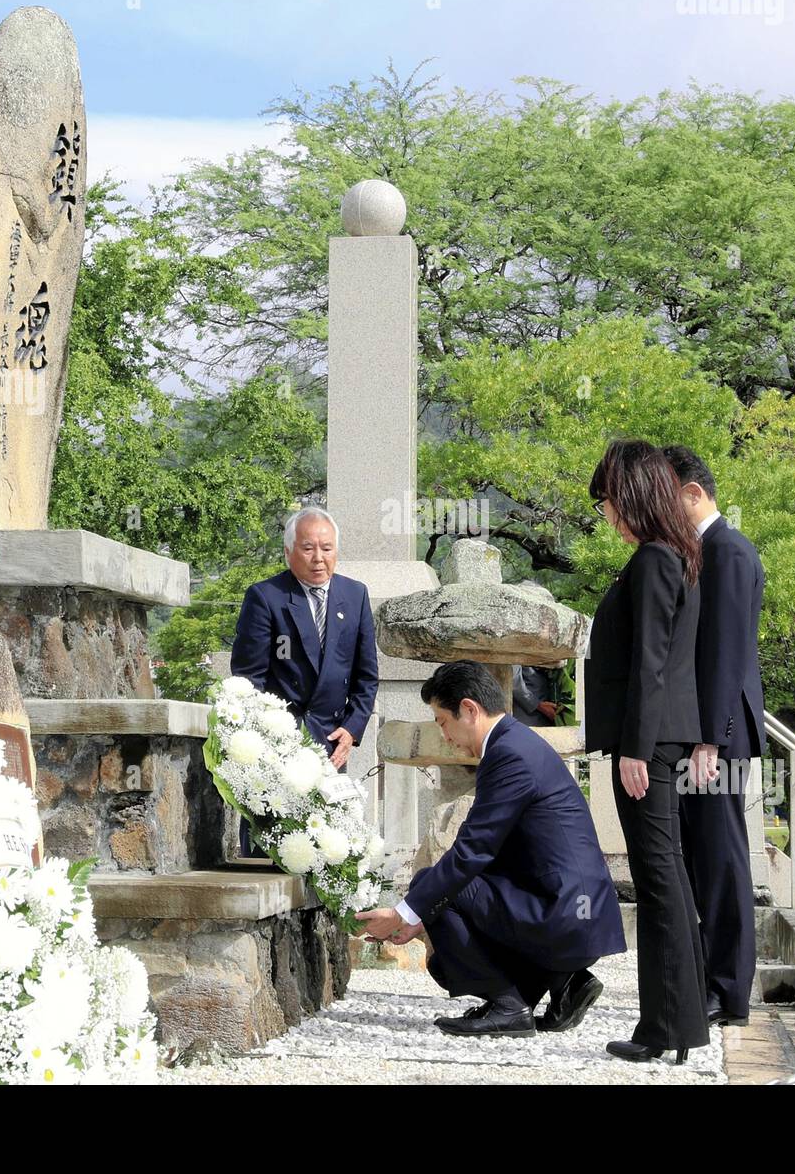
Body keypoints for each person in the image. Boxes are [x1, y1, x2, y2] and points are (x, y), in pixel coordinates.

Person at [354, 660, 626, 1037]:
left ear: (469, 709)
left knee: (430, 885)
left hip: (564, 913)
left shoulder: (509, 754)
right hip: (571, 907)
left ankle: (509, 1004)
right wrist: (416, 917)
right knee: (441, 889)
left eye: (442, 721)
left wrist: (405, 912)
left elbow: (471, 852)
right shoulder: (516, 742)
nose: (444, 735)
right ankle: (560, 980)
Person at [585, 439, 709, 1064]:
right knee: (666, 879)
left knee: (659, 880)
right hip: (656, 740)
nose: (605, 512)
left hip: (650, 744)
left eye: (607, 497)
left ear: (631, 493)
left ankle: (667, 1029)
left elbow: (651, 662)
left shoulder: (657, 559)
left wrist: (633, 747)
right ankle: (670, 1027)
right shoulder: (669, 555)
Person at [663, 444, 766, 1027]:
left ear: (692, 494)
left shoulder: (725, 550)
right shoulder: (709, 550)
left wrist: (707, 741)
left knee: (721, 857)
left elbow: (726, 654)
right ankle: (713, 979)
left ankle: (728, 989)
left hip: (717, 736)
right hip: (709, 732)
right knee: (705, 855)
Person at [229, 507, 379, 855]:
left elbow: (366, 676)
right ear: (288, 551)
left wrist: (352, 729)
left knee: (327, 847)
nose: (318, 558)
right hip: (278, 745)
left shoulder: (355, 596)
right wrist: (269, 735)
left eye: (326, 548)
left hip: (331, 743)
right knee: (274, 843)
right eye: (308, 548)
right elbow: (248, 681)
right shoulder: (266, 597)